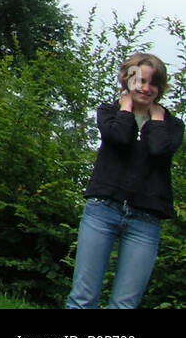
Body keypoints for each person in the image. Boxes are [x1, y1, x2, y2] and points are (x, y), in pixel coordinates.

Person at [66, 53, 183, 308]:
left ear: (160, 88)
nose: (146, 88)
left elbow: (158, 149)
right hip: (102, 210)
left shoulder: (172, 125)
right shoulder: (108, 112)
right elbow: (119, 138)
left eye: (153, 83)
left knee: (125, 305)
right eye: (140, 81)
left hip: (146, 220)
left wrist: (157, 119)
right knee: (83, 298)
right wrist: (126, 108)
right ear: (127, 81)